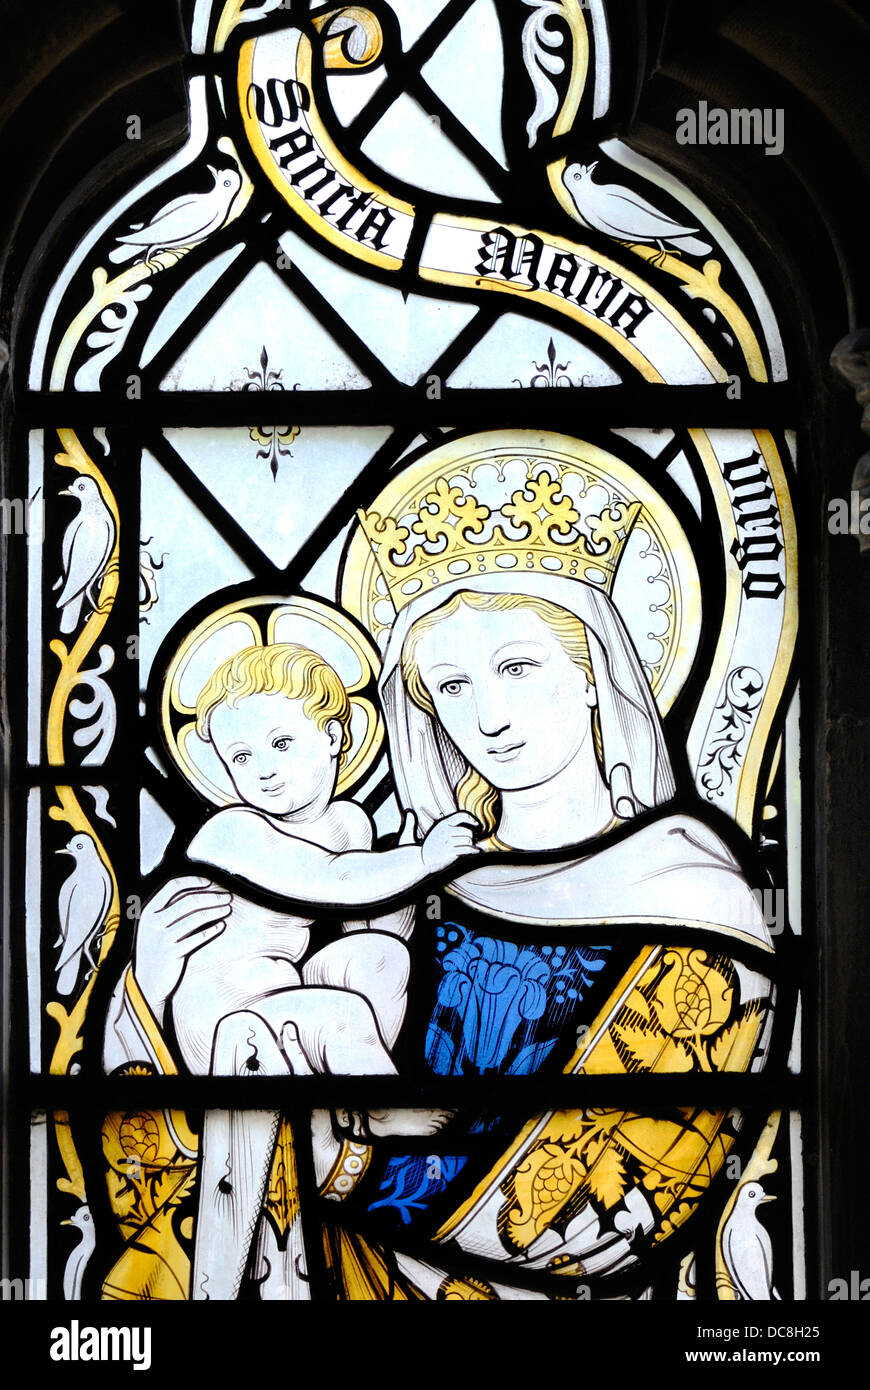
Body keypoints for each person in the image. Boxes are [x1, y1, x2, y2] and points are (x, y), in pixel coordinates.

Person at [171, 640, 480, 1090]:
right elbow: (332, 878)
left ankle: (348, 1097)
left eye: (280, 743)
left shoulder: (349, 823)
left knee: (381, 958)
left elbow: (371, 927)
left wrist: (407, 884)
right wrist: (421, 859)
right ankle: (380, 1104)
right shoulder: (231, 830)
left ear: (333, 737)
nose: (263, 770)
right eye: (240, 756)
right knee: (341, 1014)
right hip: (223, 1022)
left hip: (290, 996)